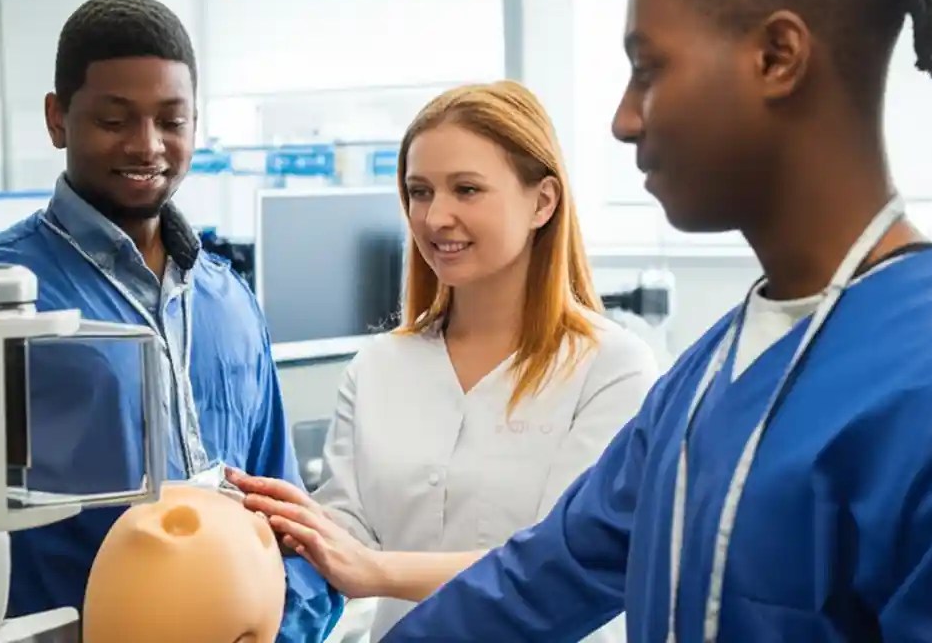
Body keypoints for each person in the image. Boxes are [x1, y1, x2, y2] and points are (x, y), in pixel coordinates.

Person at [377, 0, 932, 641]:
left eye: (648, 69)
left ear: (777, 57)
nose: (623, 120)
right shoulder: (705, 379)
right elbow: (546, 574)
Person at [0, 0, 342, 642]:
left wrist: (290, 626)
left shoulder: (230, 300)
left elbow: (288, 518)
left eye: (172, 121)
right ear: (58, 119)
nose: (148, 146)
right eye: (115, 120)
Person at [227, 80, 660, 641]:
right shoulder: (380, 366)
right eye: (420, 191)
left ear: (543, 201)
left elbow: (562, 566)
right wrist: (285, 526)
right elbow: (349, 534)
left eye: (467, 190)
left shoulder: (613, 368)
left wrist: (374, 570)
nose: (435, 218)